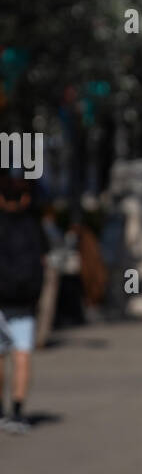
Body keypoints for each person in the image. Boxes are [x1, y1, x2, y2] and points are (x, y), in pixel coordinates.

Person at [0, 173, 45, 433]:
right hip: (25, 303)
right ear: (25, 198)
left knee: (1, 356)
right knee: (22, 355)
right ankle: (17, 412)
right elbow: (43, 261)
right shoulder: (32, 225)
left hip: (1, 301)